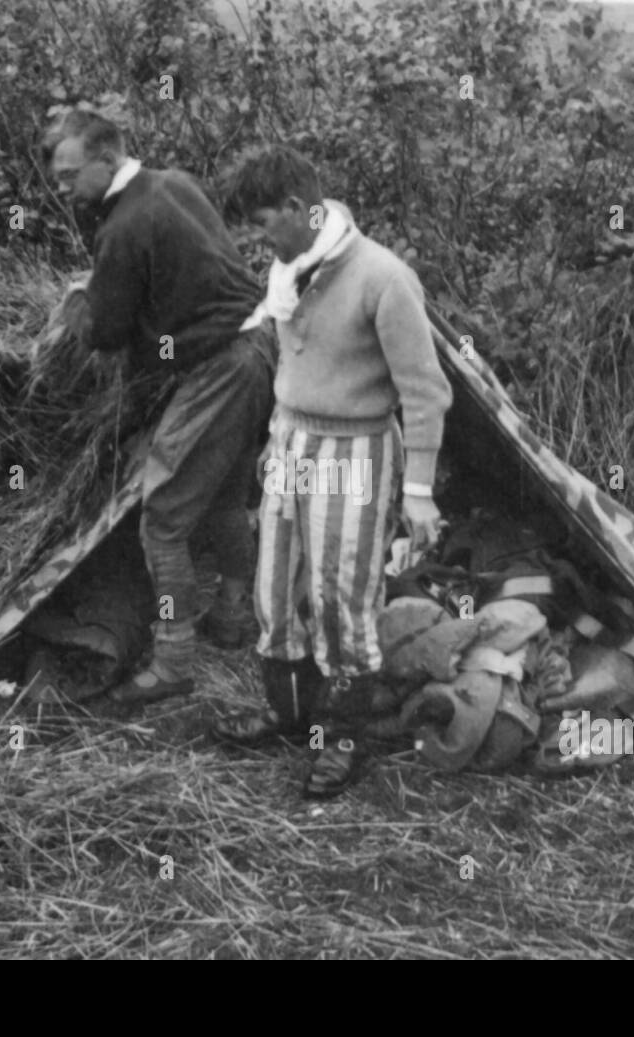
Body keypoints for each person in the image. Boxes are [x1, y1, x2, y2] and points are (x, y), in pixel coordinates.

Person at [216, 145, 453, 797]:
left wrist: (419, 491)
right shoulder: (289, 267)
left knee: (340, 601)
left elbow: (426, 392)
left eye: (264, 221)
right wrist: (276, 437)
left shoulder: (383, 277)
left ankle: (343, 737)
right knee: (275, 587)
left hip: (355, 453)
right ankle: (289, 715)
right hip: (293, 445)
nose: (258, 238)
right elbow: (293, 361)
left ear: (298, 207)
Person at [41, 105, 276, 705]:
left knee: (163, 515)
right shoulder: (174, 182)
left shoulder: (121, 226)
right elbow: (182, 271)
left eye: (71, 175)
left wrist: (82, 311)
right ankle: (234, 616)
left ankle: (174, 660)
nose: (63, 188)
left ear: (107, 157)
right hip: (259, 345)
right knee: (224, 495)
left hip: (220, 368)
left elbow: (109, 332)